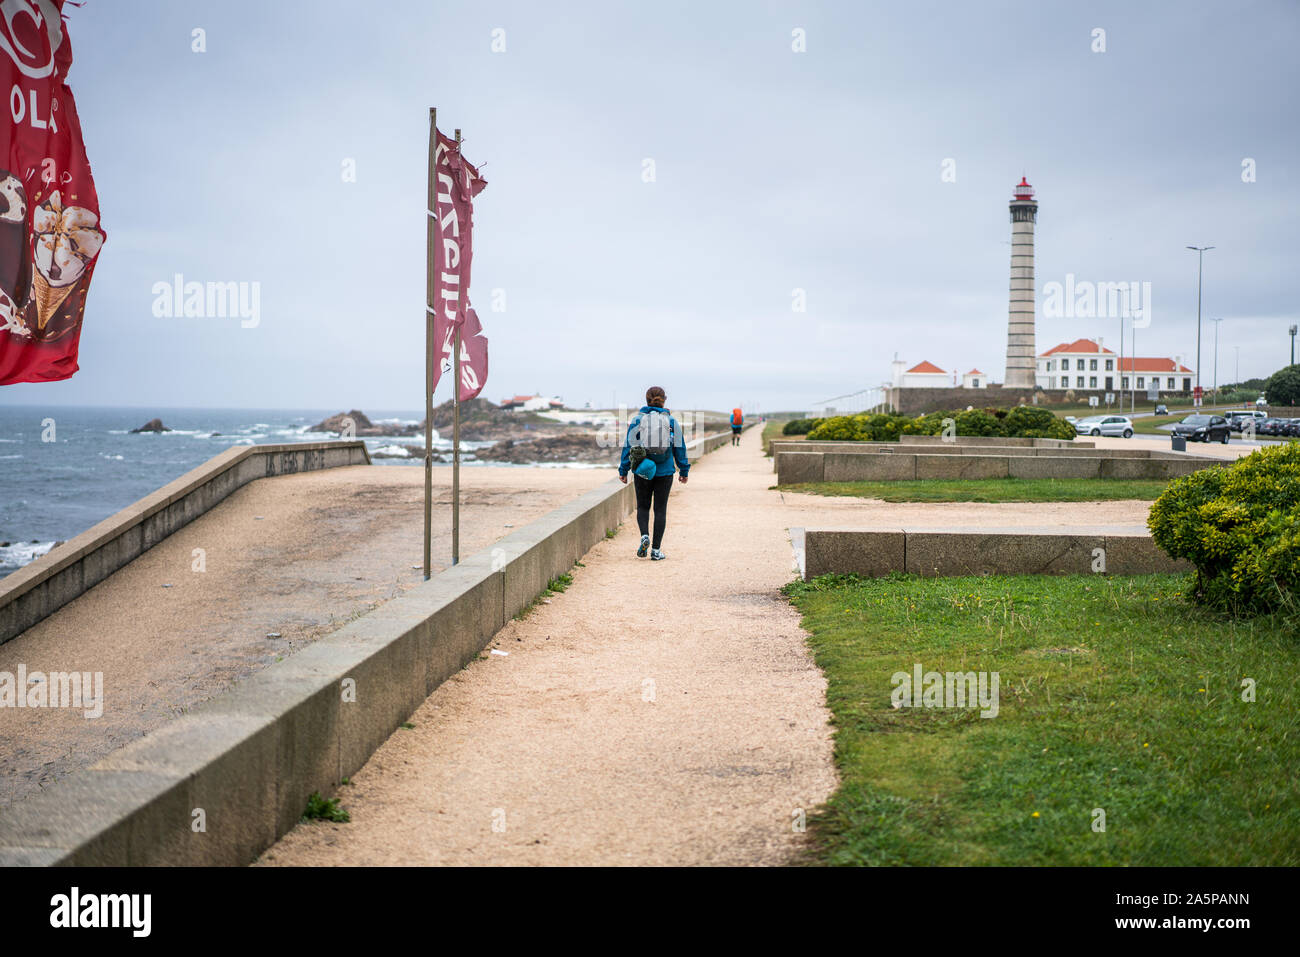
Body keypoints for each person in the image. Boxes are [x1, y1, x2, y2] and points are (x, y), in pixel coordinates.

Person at [618, 386, 689, 560]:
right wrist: (684, 469)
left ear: (646, 399)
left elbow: (629, 446)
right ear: (664, 399)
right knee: (660, 510)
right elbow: (680, 447)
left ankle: (644, 536)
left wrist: (624, 469)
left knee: (643, 507)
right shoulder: (671, 422)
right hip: (665, 471)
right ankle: (656, 551)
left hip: (642, 470)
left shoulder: (637, 420)